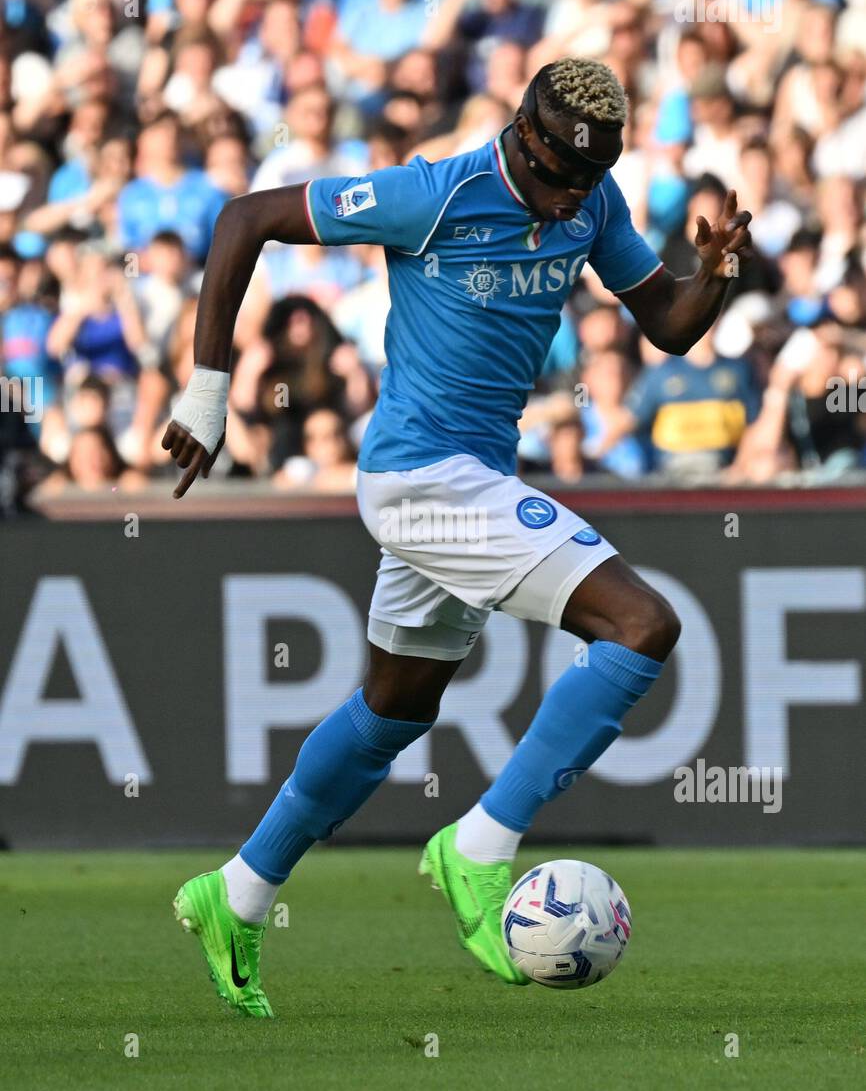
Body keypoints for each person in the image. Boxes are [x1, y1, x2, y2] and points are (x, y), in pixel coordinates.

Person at [162, 57, 752, 1018]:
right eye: (562, 178)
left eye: (589, 182)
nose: (572, 201)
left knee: (392, 713)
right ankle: (480, 843)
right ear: (524, 136)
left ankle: (236, 893)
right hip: (420, 478)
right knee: (641, 627)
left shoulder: (591, 203)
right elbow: (245, 218)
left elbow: (669, 326)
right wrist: (209, 391)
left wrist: (715, 273)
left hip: (473, 480)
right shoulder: (434, 194)